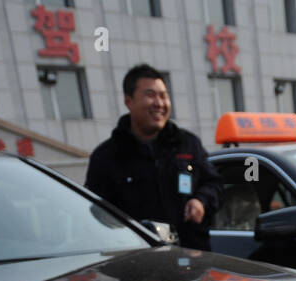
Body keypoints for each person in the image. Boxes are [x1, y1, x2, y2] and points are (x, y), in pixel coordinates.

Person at [85, 64, 223, 251]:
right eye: (150, 95)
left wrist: (201, 201)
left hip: (192, 264)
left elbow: (214, 184)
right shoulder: (107, 156)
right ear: (129, 101)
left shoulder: (187, 144)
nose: (159, 103)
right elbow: (97, 215)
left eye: (163, 95)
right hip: (138, 267)